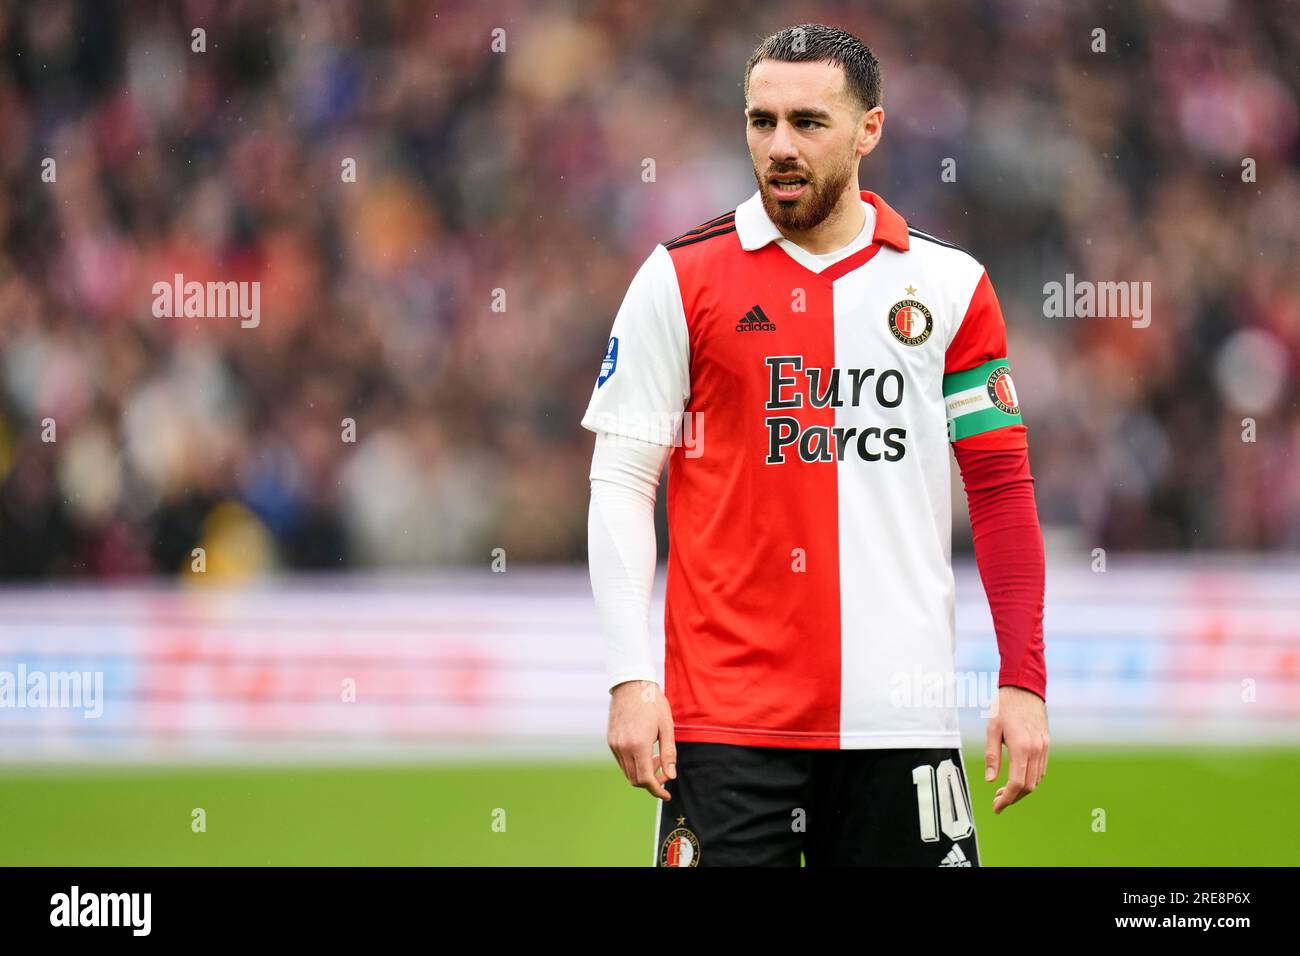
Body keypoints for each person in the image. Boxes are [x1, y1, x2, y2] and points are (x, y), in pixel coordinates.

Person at [583, 23, 1048, 867]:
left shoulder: (950, 285)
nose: (780, 146)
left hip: (900, 720)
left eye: (808, 122)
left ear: (870, 129)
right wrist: (629, 677)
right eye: (762, 122)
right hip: (726, 725)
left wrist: (1022, 676)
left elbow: (1000, 486)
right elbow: (620, 476)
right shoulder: (679, 276)